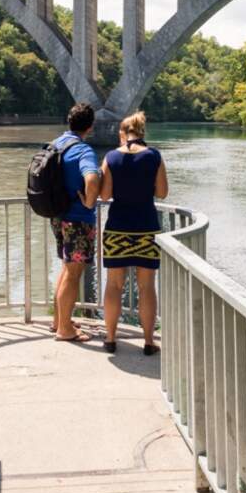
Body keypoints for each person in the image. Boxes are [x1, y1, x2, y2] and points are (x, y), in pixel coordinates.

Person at [98, 111, 168, 355]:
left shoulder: (111, 157)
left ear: (122, 133)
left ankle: (110, 338)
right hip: (146, 229)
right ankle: (149, 341)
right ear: (142, 132)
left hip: (117, 228)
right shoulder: (154, 156)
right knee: (146, 287)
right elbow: (162, 193)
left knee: (114, 286)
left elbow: (104, 196)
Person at [50, 103, 101, 342]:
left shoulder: (56, 144)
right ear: (90, 127)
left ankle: (58, 321)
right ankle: (65, 330)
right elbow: (91, 178)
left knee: (66, 268)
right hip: (78, 221)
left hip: (57, 216)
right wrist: (90, 203)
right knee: (73, 273)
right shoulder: (83, 150)